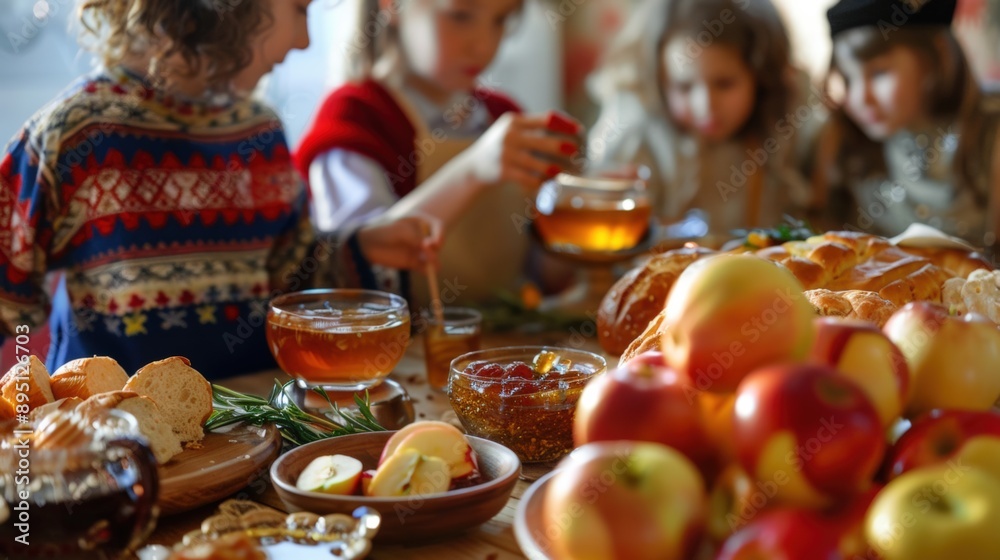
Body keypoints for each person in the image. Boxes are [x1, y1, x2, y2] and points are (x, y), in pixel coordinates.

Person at [0, 0, 440, 378]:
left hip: (248, 435)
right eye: (299, 9)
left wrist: (360, 247)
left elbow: (294, 279)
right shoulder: (77, 136)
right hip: (119, 453)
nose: (304, 40)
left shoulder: (260, 132)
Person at [295, 0, 582, 305]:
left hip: (504, 345)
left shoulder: (504, 115)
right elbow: (355, 272)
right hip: (406, 349)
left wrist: (574, 207)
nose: (483, 45)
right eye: (460, 16)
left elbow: (543, 277)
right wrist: (473, 169)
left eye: (500, 20)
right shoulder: (354, 119)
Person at [586, 0, 821, 236]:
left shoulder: (788, 132)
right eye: (684, 86)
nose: (705, 106)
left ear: (761, 79)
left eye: (724, 84)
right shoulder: (635, 137)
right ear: (659, 81)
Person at [812, 0, 999, 255]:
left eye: (878, 73)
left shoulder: (991, 138)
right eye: (847, 78)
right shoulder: (843, 142)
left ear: (938, 53)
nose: (860, 98)